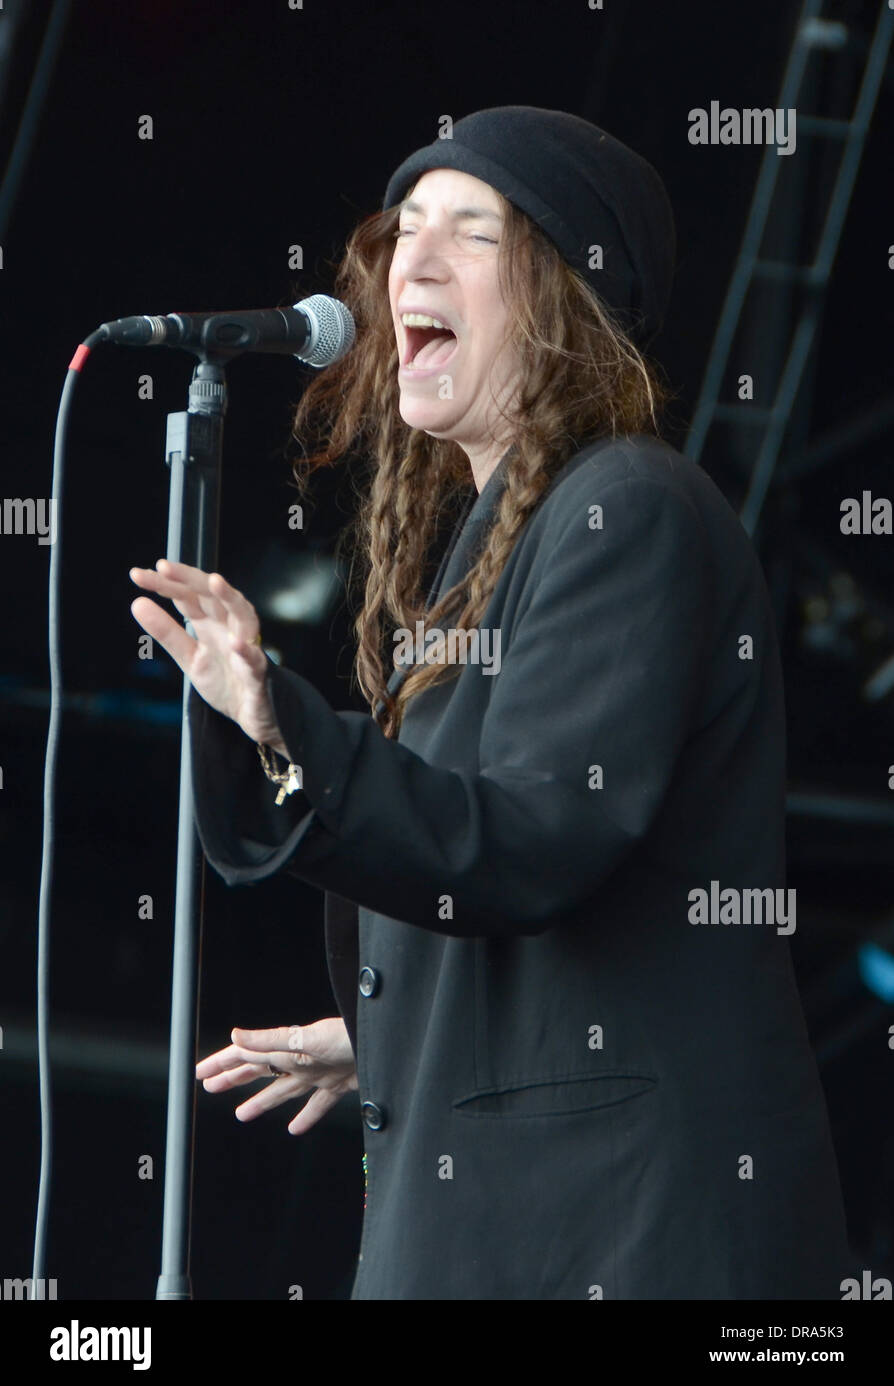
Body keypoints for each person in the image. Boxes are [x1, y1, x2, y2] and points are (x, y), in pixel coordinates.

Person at [129, 106, 851, 1300]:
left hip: (623, 1230)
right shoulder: (502, 545)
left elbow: (532, 840)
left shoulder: (633, 506)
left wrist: (278, 715)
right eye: (406, 227)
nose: (412, 260)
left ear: (570, 301)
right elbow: (525, 870)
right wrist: (397, 1030)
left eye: (472, 232)